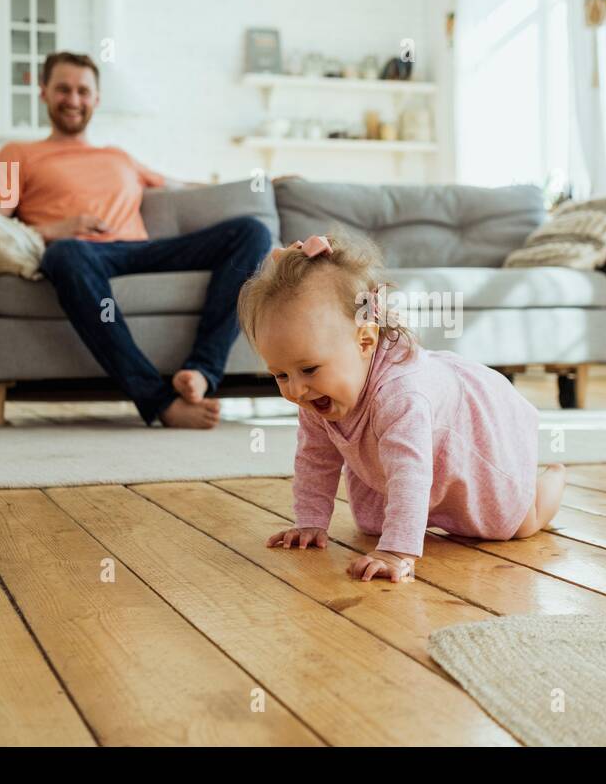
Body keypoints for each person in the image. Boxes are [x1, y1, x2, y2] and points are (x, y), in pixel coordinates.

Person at [238, 231, 567, 583]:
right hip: (389, 451)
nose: (296, 389)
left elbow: (410, 471)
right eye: (280, 375)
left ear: (364, 341)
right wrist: (310, 521)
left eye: (308, 369)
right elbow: (316, 458)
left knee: (513, 523)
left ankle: (552, 479)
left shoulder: (401, 394)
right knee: (373, 526)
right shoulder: (316, 391)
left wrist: (397, 551)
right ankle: (411, 521)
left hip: (464, 434)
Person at [0, 51, 272, 428]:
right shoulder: (15, 155)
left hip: (142, 251)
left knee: (252, 231)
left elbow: (182, 185)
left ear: (96, 99)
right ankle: (159, 401)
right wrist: (57, 229)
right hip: (81, 255)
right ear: (43, 93)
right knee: (66, 255)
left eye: (83, 91)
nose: (73, 99)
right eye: (63, 89)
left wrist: (266, 184)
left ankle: (202, 371)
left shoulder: (118, 156)